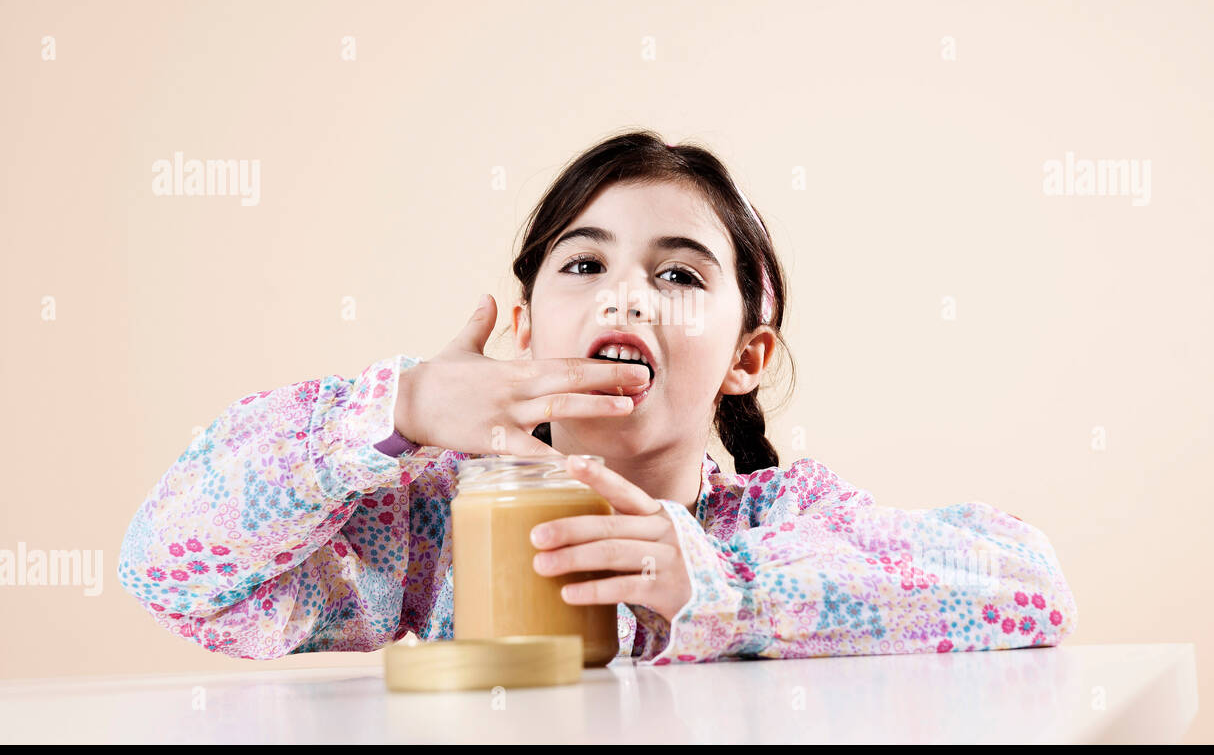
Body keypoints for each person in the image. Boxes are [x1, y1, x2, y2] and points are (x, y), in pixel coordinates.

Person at [117, 129, 1078, 664]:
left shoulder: (784, 526)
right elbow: (170, 570)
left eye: (680, 276)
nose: (627, 295)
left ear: (747, 356)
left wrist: (723, 592)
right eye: (585, 264)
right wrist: (395, 408)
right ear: (526, 328)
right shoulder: (434, 527)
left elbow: (1029, 587)